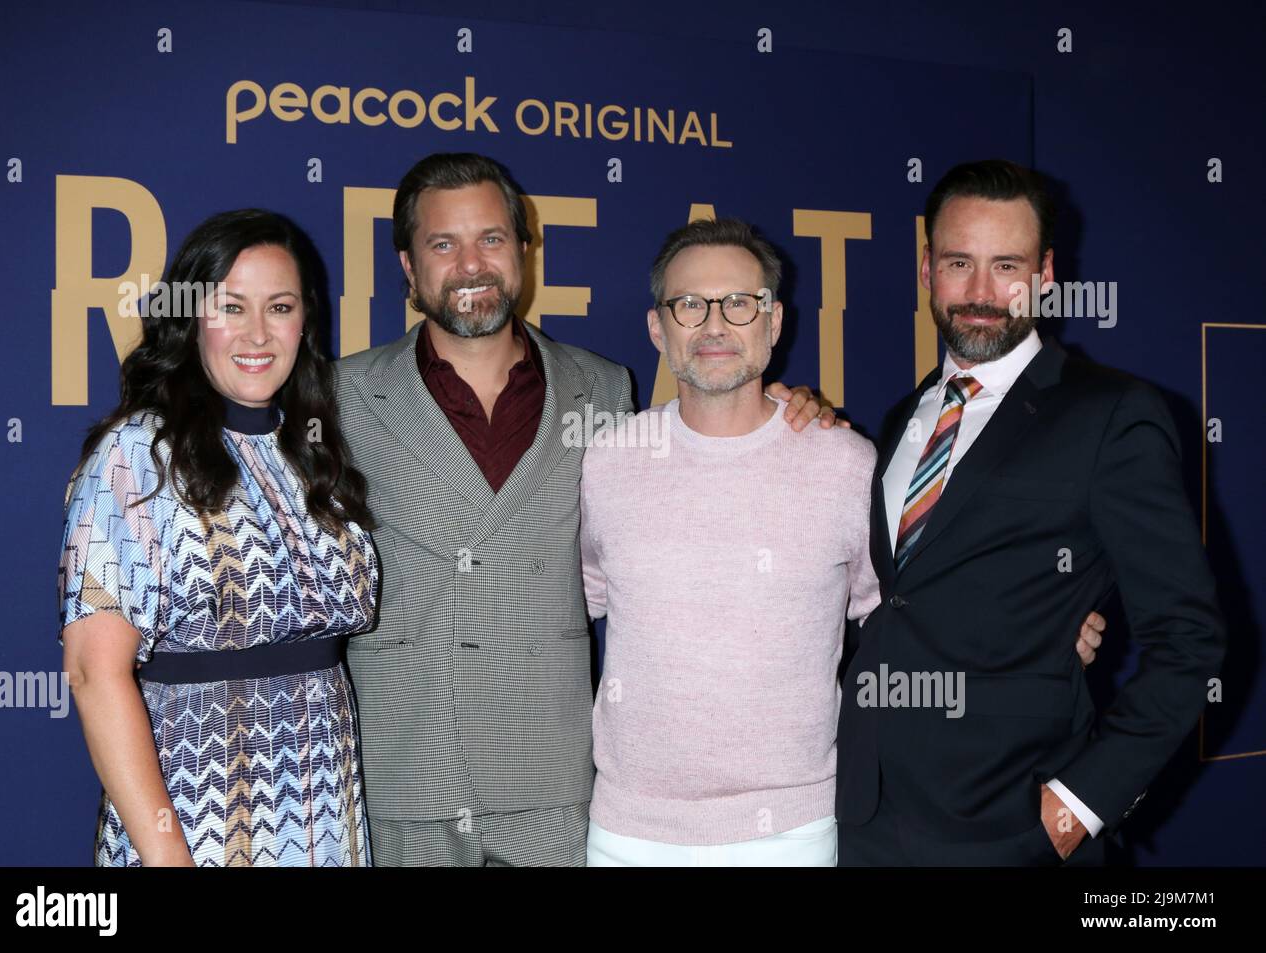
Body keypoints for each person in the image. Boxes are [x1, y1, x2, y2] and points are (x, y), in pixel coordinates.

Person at [334, 153, 832, 866]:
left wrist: (789, 406)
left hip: (553, 778)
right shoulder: (340, 395)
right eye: (444, 245)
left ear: (526, 251)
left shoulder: (602, 390)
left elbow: (700, 463)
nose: (472, 264)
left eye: (493, 240)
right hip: (405, 773)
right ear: (409, 269)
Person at [579, 218, 1103, 866]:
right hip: (629, 834)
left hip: (796, 832)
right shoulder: (605, 462)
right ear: (659, 328)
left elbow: (921, 612)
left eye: (741, 303)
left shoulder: (848, 466)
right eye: (690, 304)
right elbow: (568, 609)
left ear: (774, 324)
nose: (715, 324)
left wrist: (1043, 628)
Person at [835, 160, 1226, 866]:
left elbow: (1190, 641)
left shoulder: (1112, 415)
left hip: (1008, 833)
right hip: (860, 818)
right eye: (959, 262)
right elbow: (898, 602)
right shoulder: (902, 418)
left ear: (1046, 273)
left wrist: (1077, 808)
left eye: (1006, 265)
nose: (981, 293)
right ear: (927, 269)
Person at [59, 210, 378, 866]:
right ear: (190, 319)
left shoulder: (312, 447)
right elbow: (95, 672)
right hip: (195, 820)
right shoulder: (138, 452)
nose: (258, 333)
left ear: (305, 320)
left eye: (280, 307)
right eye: (231, 307)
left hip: (324, 816)